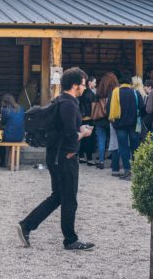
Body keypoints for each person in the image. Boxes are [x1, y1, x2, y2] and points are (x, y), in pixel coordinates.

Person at [16, 67, 96, 251]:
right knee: (69, 199)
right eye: (83, 85)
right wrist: (82, 133)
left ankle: (26, 225)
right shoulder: (69, 104)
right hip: (65, 156)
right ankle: (70, 240)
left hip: (56, 155)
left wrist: (78, 129)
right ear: (75, 85)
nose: (85, 88)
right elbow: (69, 134)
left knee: (58, 196)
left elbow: (62, 129)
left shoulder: (60, 101)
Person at [110, 75, 141, 179]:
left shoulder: (115, 92)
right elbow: (142, 108)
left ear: (119, 82)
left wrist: (114, 123)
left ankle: (127, 171)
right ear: (130, 83)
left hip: (119, 125)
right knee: (135, 147)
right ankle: (136, 171)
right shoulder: (135, 93)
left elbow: (108, 108)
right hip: (133, 125)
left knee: (123, 147)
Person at [0, 94, 25, 169]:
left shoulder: (5, 110)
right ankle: (12, 163)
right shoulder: (21, 108)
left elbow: (3, 122)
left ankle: (2, 162)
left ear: (4, 102)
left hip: (9, 136)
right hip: (20, 136)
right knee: (11, 140)